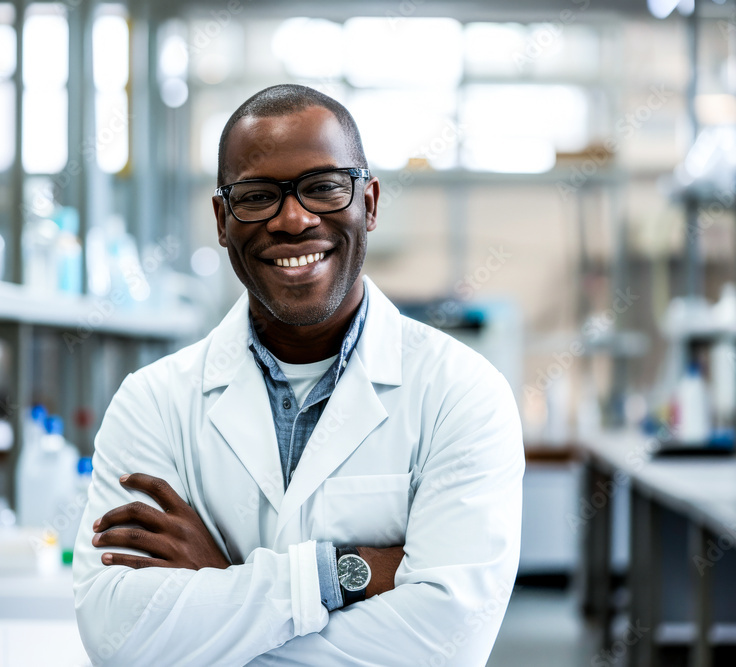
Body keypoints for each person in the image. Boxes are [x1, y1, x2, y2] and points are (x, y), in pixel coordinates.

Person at [73, 84, 524, 666]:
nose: (293, 219)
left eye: (324, 187)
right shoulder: (152, 404)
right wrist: (337, 574)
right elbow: (119, 637)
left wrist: (220, 591)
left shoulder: (461, 392)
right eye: (258, 196)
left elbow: (445, 646)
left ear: (370, 203)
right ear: (221, 218)